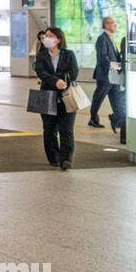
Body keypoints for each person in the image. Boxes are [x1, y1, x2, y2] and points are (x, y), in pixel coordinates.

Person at [34, 26, 79, 170]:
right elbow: (41, 72)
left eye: (50, 36)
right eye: (45, 36)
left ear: (58, 39)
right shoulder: (41, 55)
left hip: (66, 95)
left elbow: (74, 72)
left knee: (66, 129)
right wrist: (55, 81)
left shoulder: (68, 54)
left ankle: (66, 159)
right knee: (49, 128)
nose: (46, 38)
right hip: (46, 95)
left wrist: (63, 81)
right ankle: (54, 157)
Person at [89, 16, 123, 130]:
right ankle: (93, 119)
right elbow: (103, 57)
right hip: (105, 74)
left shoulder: (111, 38)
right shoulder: (102, 39)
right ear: (106, 24)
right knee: (99, 97)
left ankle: (117, 119)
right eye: (112, 23)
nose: (115, 25)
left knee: (116, 97)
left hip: (114, 74)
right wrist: (115, 66)